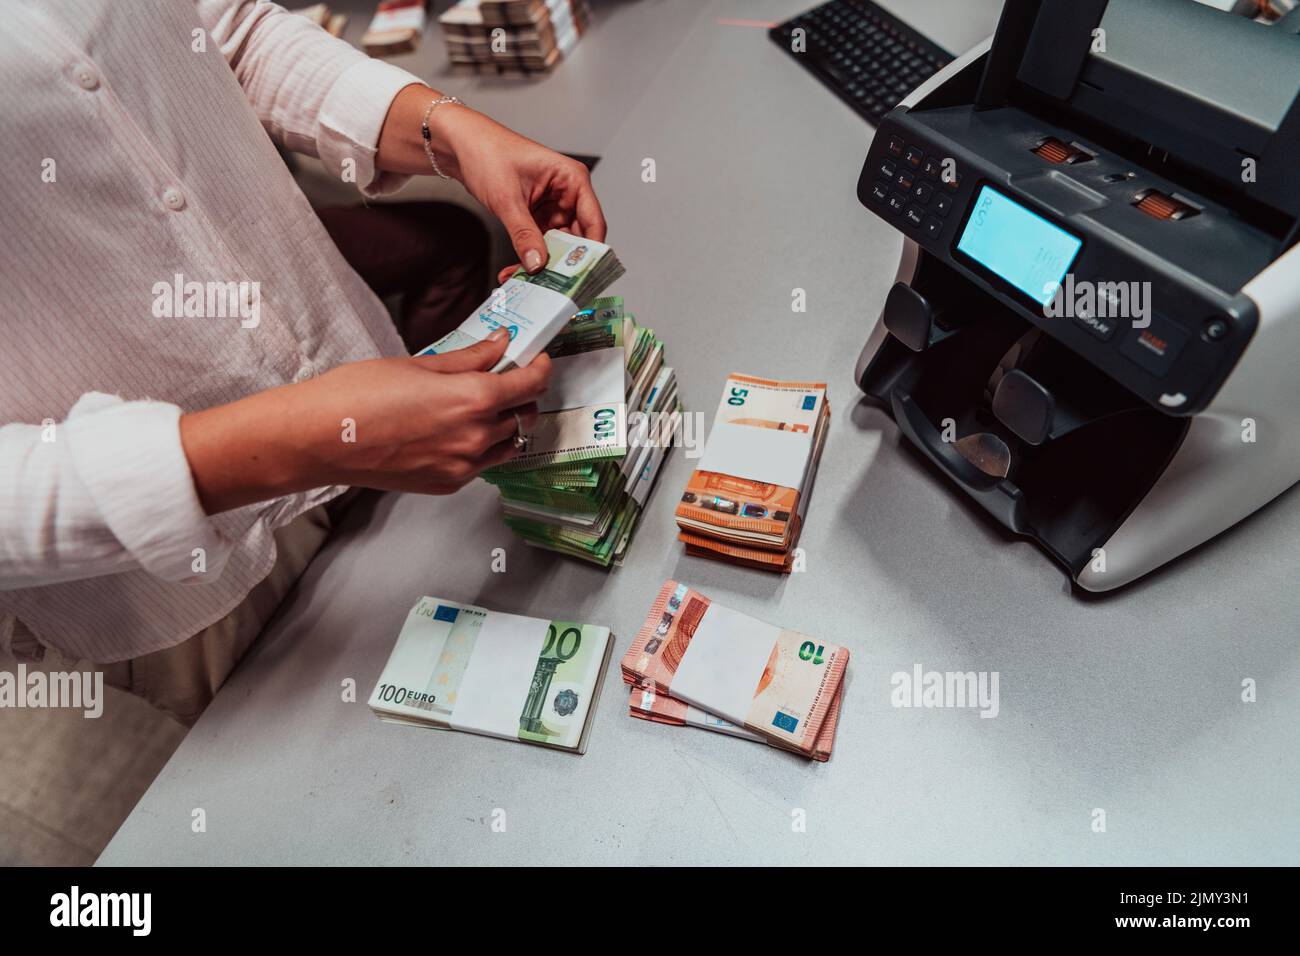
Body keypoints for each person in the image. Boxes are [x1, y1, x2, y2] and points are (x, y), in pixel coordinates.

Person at [0, 0, 607, 722]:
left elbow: (223, 28)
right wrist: (300, 438)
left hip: (352, 371)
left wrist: (444, 127)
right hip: (174, 575)